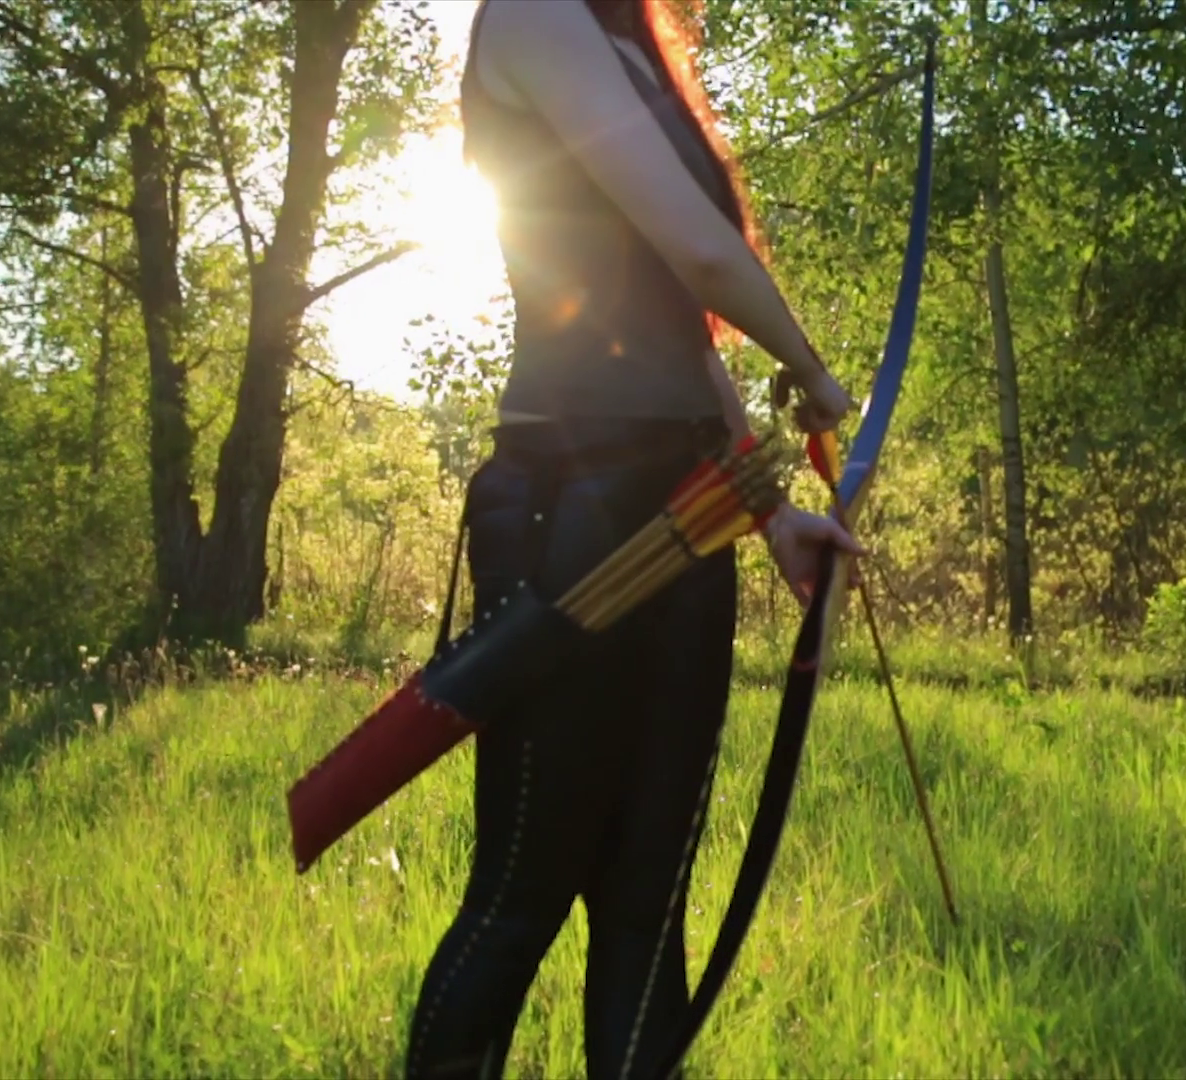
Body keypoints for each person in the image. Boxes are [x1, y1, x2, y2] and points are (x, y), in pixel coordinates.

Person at [405, 2, 865, 1077]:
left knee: (647, 899)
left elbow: (681, 324)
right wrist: (807, 366)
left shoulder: (631, 49)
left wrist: (768, 511)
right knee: (525, 889)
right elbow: (706, 257)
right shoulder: (530, 16)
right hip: (567, 507)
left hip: (685, 503)